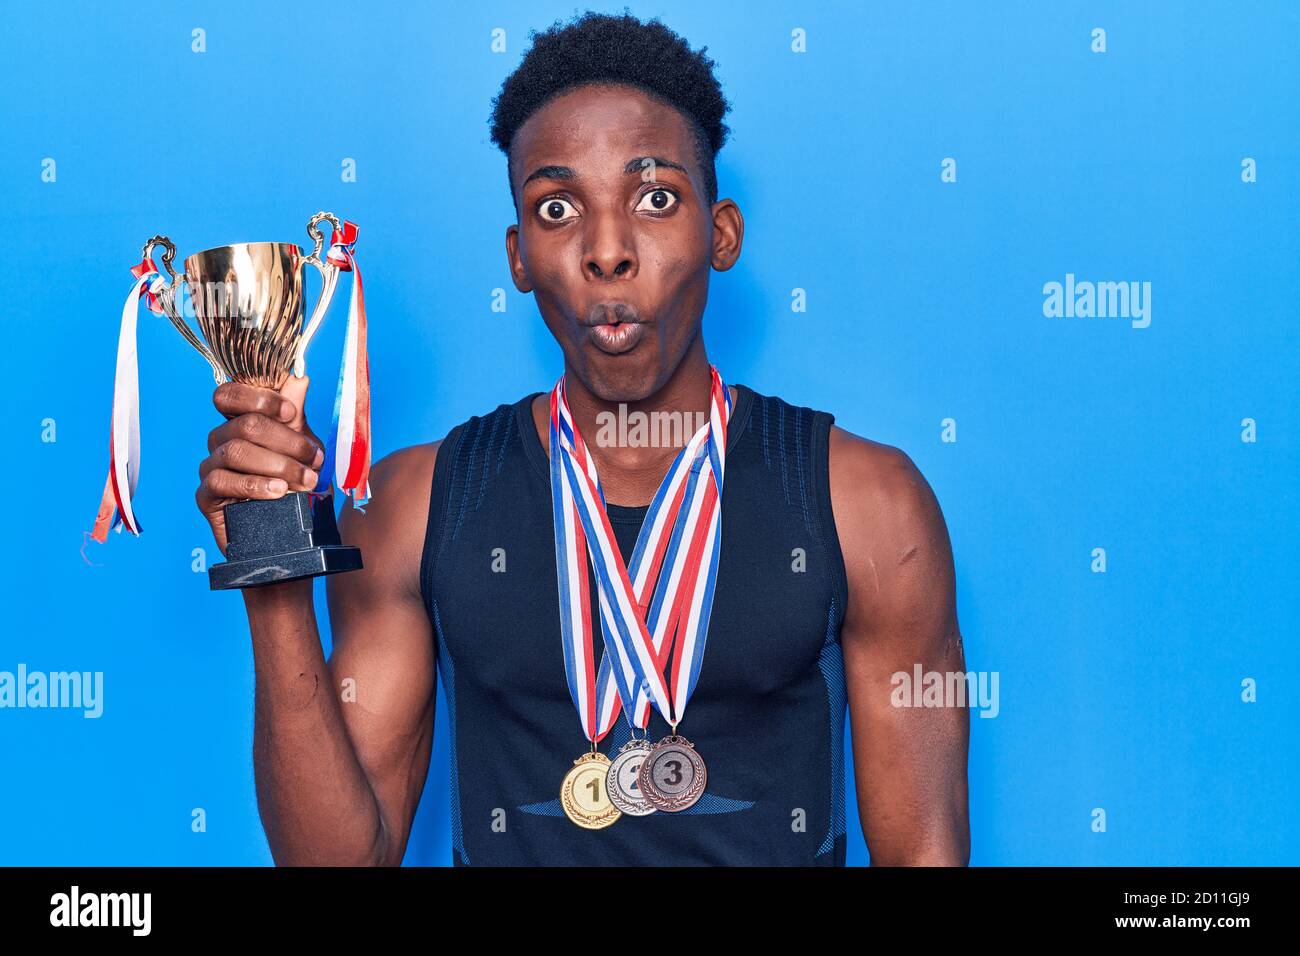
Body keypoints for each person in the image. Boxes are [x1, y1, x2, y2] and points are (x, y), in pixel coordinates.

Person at [195, 11, 969, 866]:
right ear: (519, 255)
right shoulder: (412, 507)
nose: (607, 249)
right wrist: (275, 577)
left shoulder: (868, 503)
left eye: (656, 198)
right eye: (558, 207)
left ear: (722, 234)